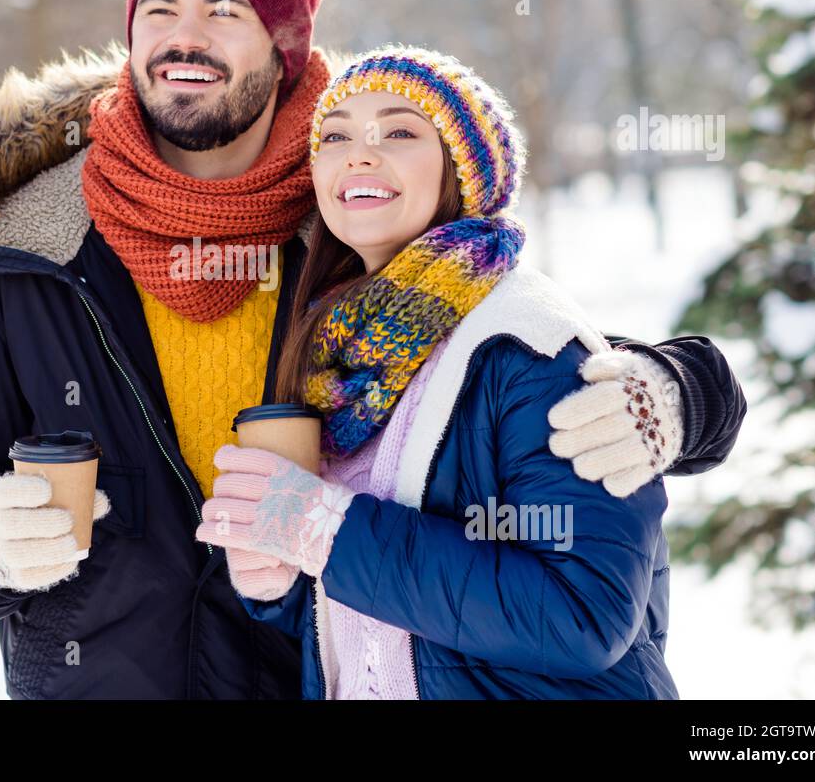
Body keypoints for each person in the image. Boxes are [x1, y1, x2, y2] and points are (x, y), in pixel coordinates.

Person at [0, 0, 746, 699]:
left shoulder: (345, 216)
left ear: (284, 48)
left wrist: (682, 389)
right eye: (159, 9)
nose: (186, 37)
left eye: (225, 10)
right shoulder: (24, 248)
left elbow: (521, 356)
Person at [197, 45, 684, 698]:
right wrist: (282, 584)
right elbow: (382, 624)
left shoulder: (531, 344)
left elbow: (584, 614)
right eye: (335, 136)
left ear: (464, 171)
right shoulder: (336, 352)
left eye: (398, 131)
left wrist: (327, 531)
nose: (358, 154)